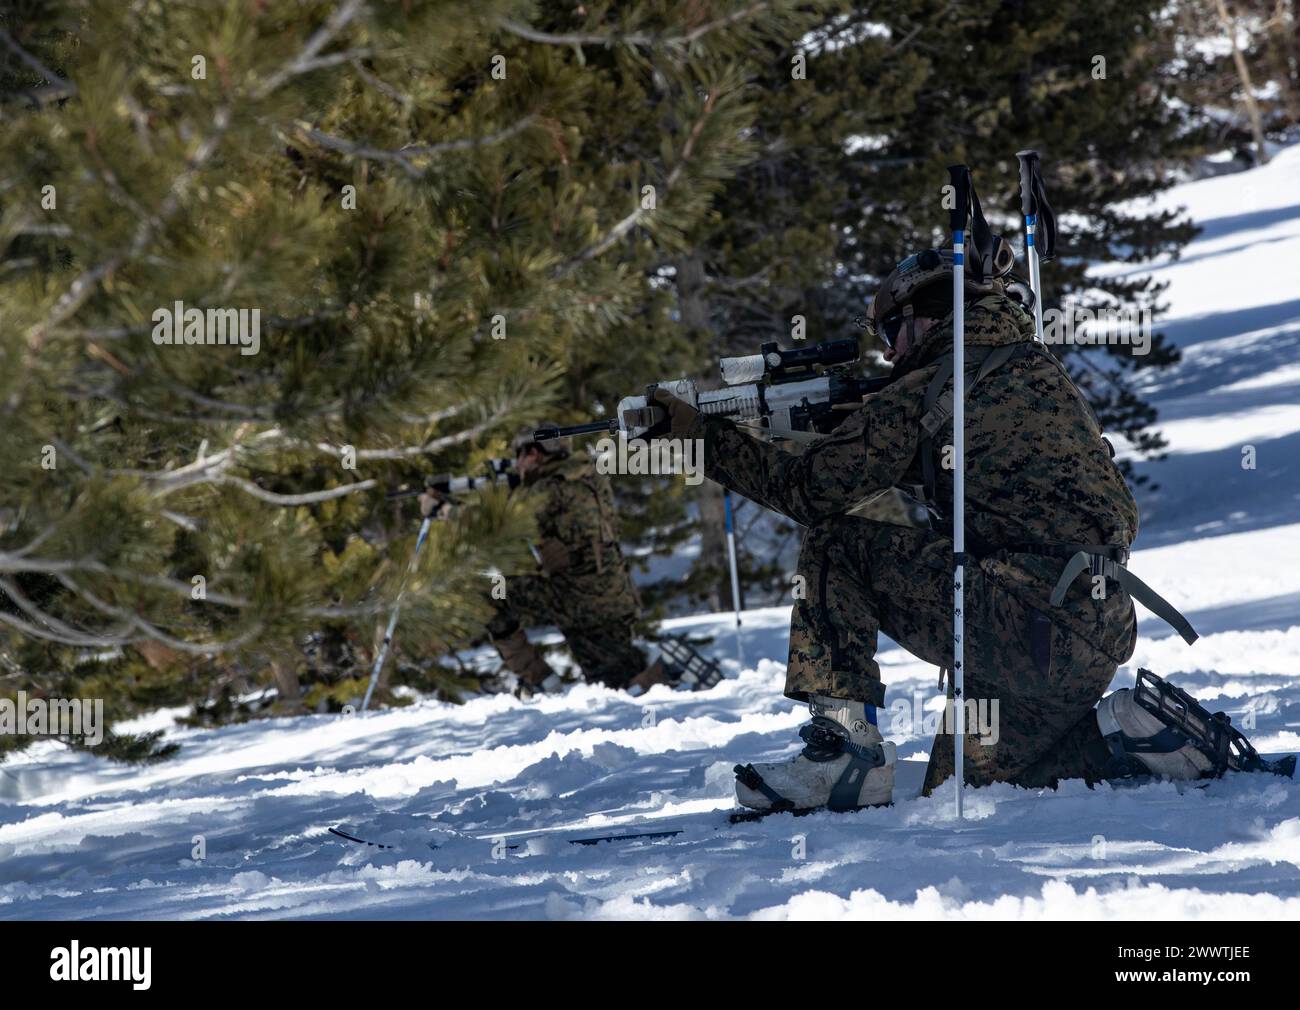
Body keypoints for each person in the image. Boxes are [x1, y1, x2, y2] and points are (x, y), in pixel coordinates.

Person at [650, 238, 1218, 814]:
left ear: (926, 317)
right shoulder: (1035, 368)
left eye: (891, 330)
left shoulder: (931, 388)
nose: (890, 352)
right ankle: (1127, 733)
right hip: (1094, 626)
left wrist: (699, 435)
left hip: (1016, 615)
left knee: (836, 544)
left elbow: (809, 492)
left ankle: (844, 753)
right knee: (965, 790)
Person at [423, 428, 692, 696]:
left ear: (535, 453)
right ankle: (664, 672)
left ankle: (539, 680)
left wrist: (443, 510)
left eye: (521, 455)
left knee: (493, 593)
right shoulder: (590, 475)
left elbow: (498, 524)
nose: (518, 463)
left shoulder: (545, 490)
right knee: (617, 684)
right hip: (614, 596)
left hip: (574, 598)